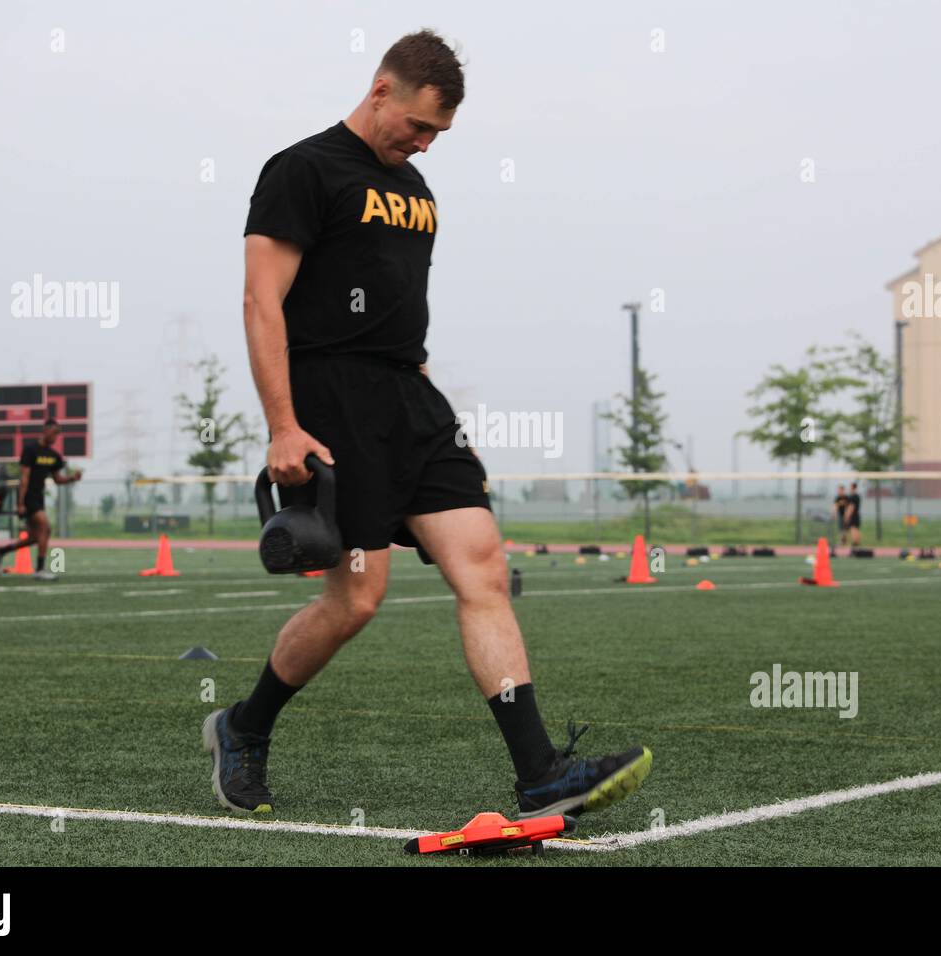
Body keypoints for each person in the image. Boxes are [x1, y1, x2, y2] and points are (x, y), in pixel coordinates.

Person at [208, 29, 651, 820]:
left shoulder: (416, 189)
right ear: (381, 90)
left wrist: (423, 400)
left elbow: (394, 303)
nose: (425, 144)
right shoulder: (301, 170)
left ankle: (539, 775)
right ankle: (243, 727)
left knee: (481, 563)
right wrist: (284, 426)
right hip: (331, 403)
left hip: (412, 399)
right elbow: (259, 301)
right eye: (418, 126)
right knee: (356, 601)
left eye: (438, 135)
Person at [0, 419, 82, 580]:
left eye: (58, 434)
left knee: (35, 537)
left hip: (39, 498)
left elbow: (57, 479)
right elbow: (24, 478)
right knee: (46, 528)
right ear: (45, 431)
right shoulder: (30, 450)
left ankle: (0, 551)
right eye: (54, 433)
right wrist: (20, 503)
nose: (55, 437)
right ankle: (40, 569)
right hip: (28, 496)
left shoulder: (54, 456)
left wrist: (72, 478)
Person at [832, 484, 849, 550]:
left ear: (843, 490)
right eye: (838, 490)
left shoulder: (846, 498)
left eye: (840, 490)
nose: (839, 491)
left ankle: (845, 541)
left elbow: (848, 507)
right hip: (840, 515)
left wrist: (847, 515)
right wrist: (834, 514)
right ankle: (842, 541)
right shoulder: (838, 498)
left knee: (846, 529)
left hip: (846, 516)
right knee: (841, 529)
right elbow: (835, 506)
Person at [846, 481, 863, 548]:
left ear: (853, 488)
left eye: (850, 488)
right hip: (857, 514)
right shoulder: (858, 496)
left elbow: (851, 507)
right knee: (857, 529)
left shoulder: (852, 497)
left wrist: (847, 516)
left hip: (853, 515)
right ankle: (858, 542)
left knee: (853, 528)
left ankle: (855, 542)